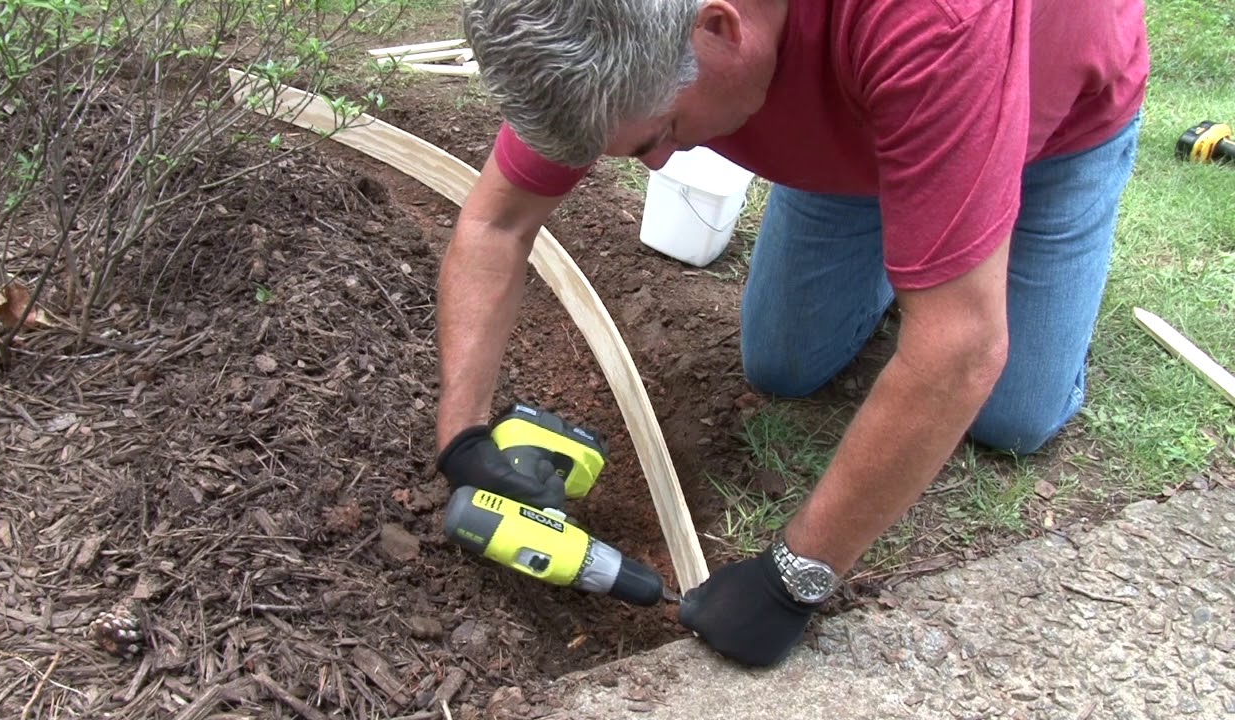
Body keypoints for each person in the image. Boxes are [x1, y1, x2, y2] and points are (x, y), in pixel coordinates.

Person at [433, 0, 1149, 667]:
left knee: (1012, 416)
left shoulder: (932, 22)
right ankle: (925, 235)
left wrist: (794, 578)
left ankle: (956, 241)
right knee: (784, 362)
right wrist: (463, 437)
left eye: (663, 133)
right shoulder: (605, 31)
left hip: (1051, 134)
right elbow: (496, 223)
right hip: (860, 128)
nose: (657, 162)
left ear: (720, 30)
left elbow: (961, 349)